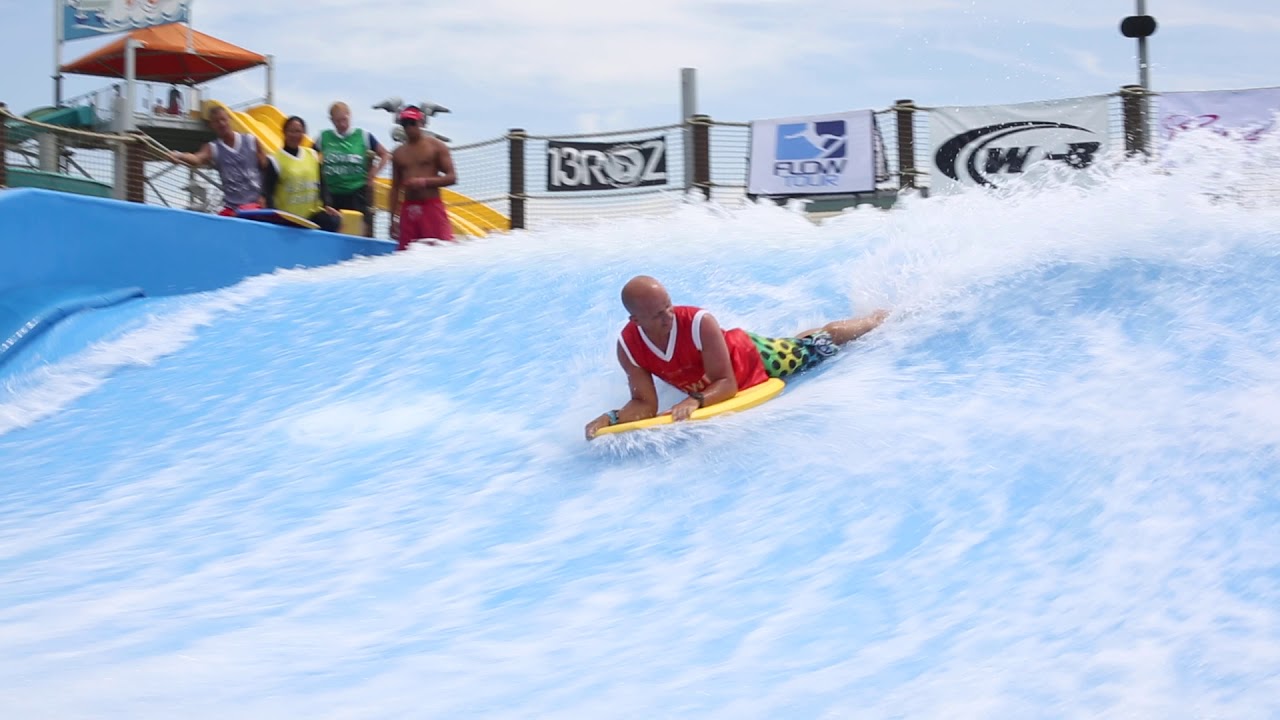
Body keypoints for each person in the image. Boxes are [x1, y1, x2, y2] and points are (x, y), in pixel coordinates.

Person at [584, 275, 889, 440]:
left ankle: (874, 319)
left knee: (819, 346)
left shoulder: (699, 322)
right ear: (636, 320)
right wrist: (612, 419)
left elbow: (726, 384)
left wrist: (696, 400)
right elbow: (644, 404)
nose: (668, 317)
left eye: (669, 307)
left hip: (753, 357)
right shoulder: (628, 346)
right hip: (718, 376)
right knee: (800, 343)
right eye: (658, 315)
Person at [169, 105, 267, 216]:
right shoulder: (213, 148)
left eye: (223, 119)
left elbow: (267, 169)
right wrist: (179, 155)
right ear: (211, 125)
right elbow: (197, 158)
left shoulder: (251, 141)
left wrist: (264, 195)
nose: (221, 124)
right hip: (232, 207)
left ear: (230, 119)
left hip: (255, 204)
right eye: (216, 122)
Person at [316, 101, 390, 238]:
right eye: (337, 121)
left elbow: (385, 154)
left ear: (349, 116)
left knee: (356, 229)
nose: (342, 124)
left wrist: (373, 172)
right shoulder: (323, 137)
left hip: (356, 192)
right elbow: (309, 156)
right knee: (333, 229)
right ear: (331, 120)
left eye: (344, 119)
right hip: (331, 193)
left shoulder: (363, 136)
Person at [388, 106, 458, 251]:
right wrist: (393, 218)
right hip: (409, 209)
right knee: (406, 254)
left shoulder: (436, 146)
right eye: (405, 124)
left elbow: (452, 177)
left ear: (421, 123)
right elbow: (395, 188)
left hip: (431, 207)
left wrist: (425, 182)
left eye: (412, 123)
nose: (409, 127)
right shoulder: (398, 153)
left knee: (441, 250)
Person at [260, 115, 342, 232]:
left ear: (303, 134)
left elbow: (322, 183)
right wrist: (274, 214)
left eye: (298, 131)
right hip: (288, 218)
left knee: (333, 221)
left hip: (312, 215)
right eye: (291, 131)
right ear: (284, 132)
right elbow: (268, 192)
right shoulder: (275, 160)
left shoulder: (312, 155)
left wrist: (327, 204)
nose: (295, 135)